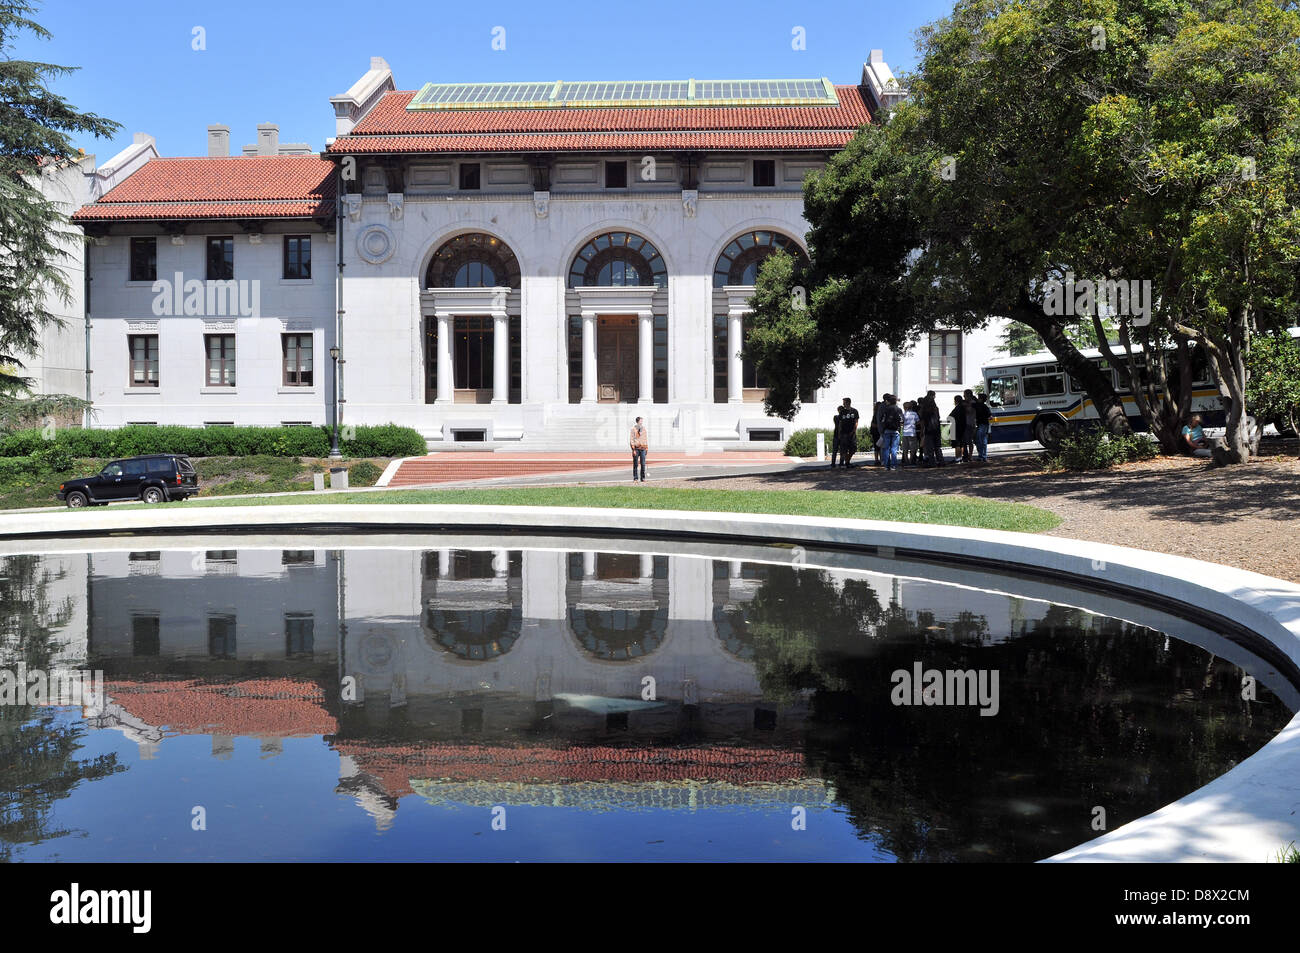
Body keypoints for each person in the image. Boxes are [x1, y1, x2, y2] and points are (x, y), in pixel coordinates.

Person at [879, 394, 904, 471]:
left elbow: (882, 420)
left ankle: (886, 466)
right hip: (895, 431)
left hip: (886, 431)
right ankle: (893, 466)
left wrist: (882, 429)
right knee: (894, 449)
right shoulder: (898, 409)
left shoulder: (886, 409)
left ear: (889, 401)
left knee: (886, 449)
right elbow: (902, 420)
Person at [837, 397, 860, 467]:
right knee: (844, 449)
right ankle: (847, 462)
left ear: (848, 402)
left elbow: (856, 422)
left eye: (844, 402)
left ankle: (847, 461)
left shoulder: (854, 411)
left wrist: (854, 431)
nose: (843, 404)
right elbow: (840, 423)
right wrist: (839, 432)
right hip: (844, 433)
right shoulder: (842, 412)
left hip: (852, 433)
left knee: (853, 449)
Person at [974, 392, 992, 463]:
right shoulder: (984, 406)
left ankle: (981, 456)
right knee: (983, 440)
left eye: (978, 398)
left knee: (979, 440)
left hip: (981, 425)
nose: (977, 399)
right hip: (984, 424)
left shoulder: (978, 406)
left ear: (981, 399)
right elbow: (990, 417)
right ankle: (983, 456)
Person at [962, 389, 979, 463]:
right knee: (966, 441)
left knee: (970, 441)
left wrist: (964, 406)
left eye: (964, 395)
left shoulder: (973, 403)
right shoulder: (967, 402)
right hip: (966, 423)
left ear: (968, 395)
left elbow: (969, 411)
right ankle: (967, 455)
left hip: (971, 423)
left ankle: (970, 456)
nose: (964, 396)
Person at [949, 395, 967, 462]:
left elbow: (949, 417)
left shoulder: (957, 408)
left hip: (955, 428)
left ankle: (957, 458)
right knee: (961, 444)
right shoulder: (964, 408)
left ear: (955, 400)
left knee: (957, 444)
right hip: (963, 427)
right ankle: (960, 458)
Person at [901, 401, 920, 467]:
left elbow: (901, 422)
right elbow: (918, 422)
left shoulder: (904, 414)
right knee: (913, 448)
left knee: (905, 448)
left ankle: (906, 462)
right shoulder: (914, 414)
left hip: (905, 433)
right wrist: (913, 424)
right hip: (912, 432)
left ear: (904, 408)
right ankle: (912, 461)